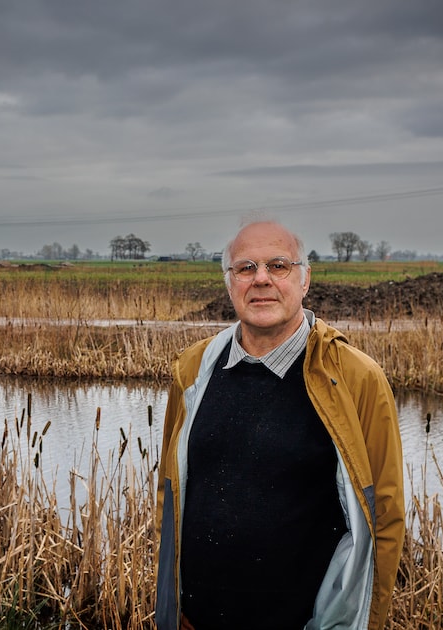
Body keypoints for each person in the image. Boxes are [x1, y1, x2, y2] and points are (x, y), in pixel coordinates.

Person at [154, 220, 404, 629]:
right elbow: (172, 492)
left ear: (305, 281)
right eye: (246, 267)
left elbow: (384, 517)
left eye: (279, 265)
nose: (261, 279)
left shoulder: (355, 379)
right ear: (229, 282)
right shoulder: (193, 370)